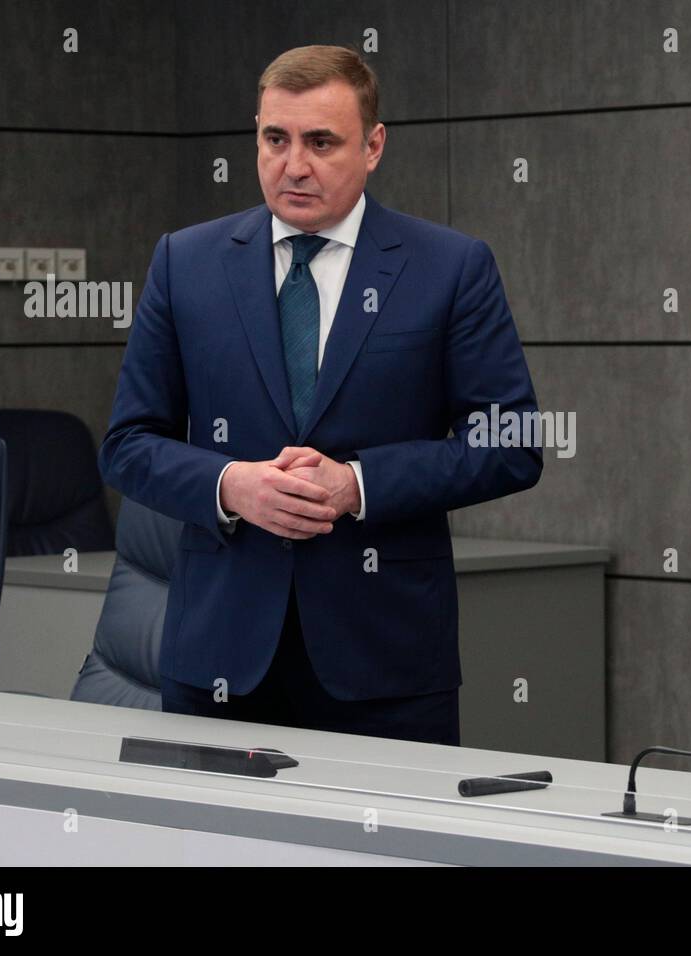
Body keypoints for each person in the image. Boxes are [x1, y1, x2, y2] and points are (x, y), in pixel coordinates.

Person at [100, 45, 541, 745]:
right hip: (220, 657)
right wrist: (229, 484)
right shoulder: (185, 263)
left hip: (385, 664)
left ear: (373, 146)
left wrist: (358, 484)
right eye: (275, 139)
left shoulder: (451, 267)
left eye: (320, 142)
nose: (293, 165)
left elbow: (512, 444)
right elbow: (127, 445)